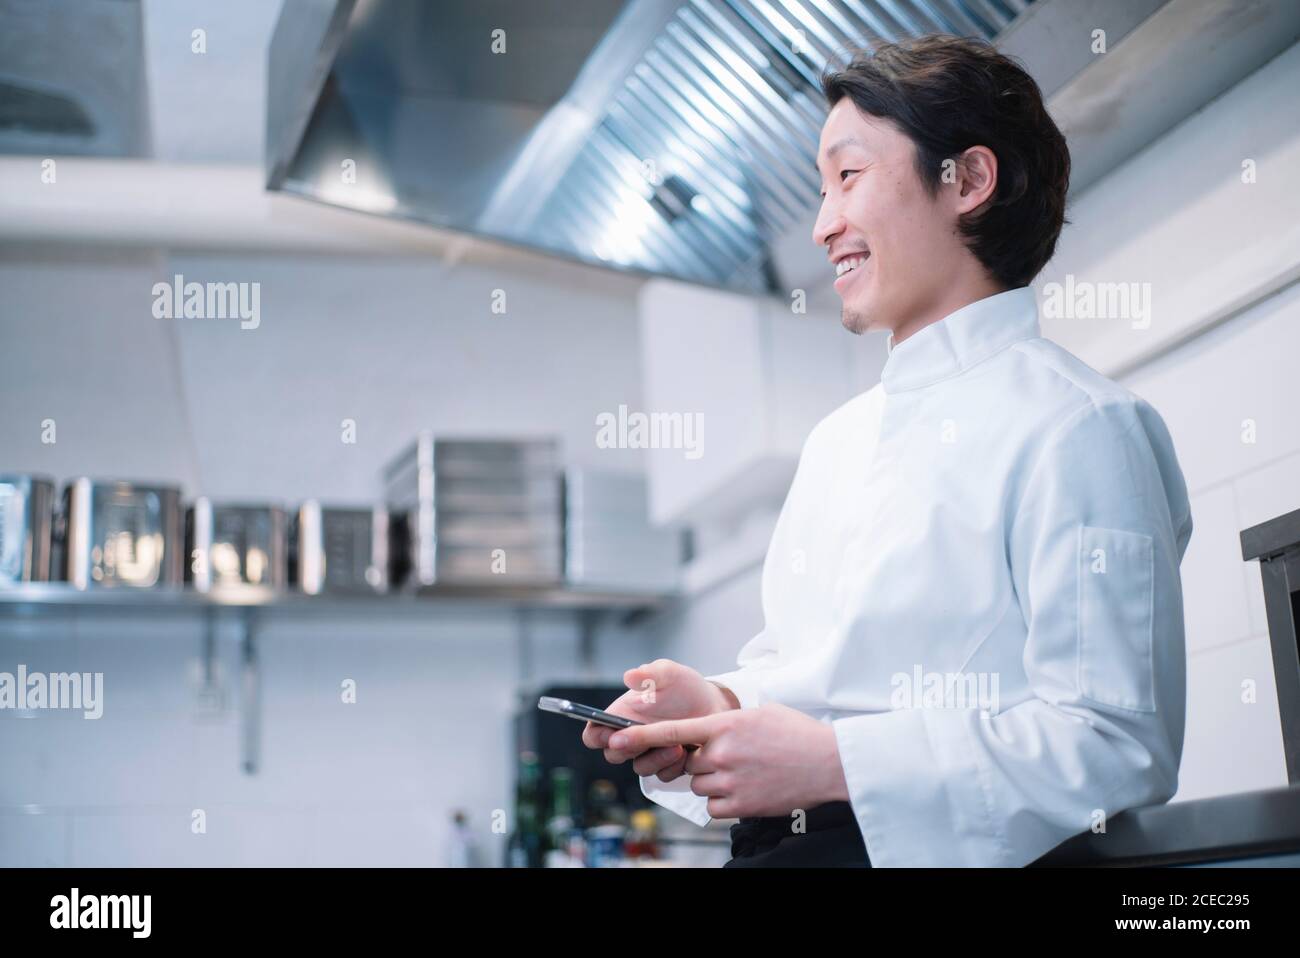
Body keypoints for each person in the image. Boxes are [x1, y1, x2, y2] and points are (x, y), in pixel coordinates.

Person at [583, 34, 1193, 868]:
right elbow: (821, 677)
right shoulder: (839, 440)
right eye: (820, 188)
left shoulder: (1081, 428)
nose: (825, 223)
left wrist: (835, 766)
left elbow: (1116, 742)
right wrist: (719, 705)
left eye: (849, 176)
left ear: (967, 181)